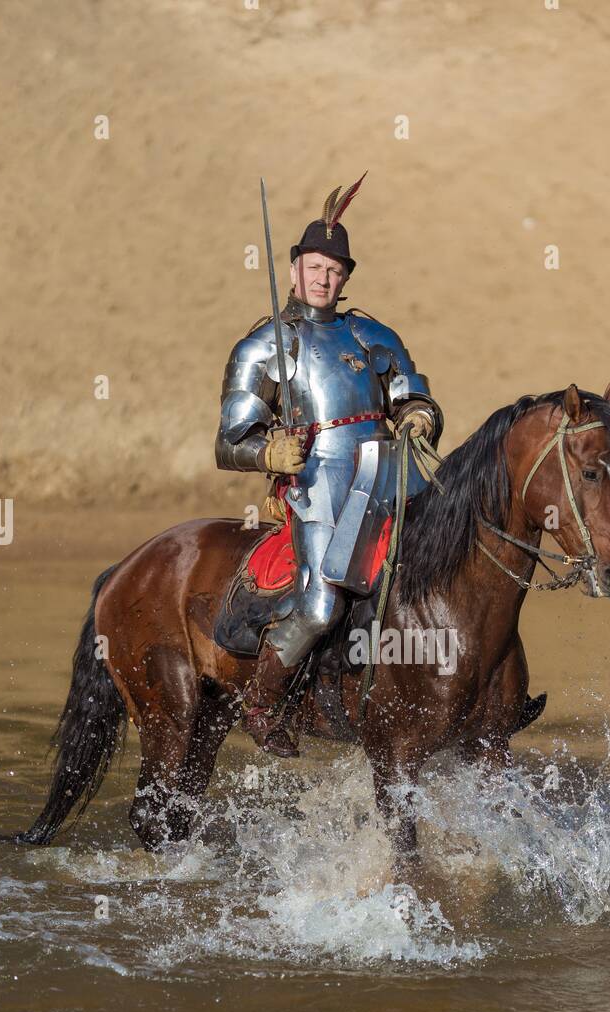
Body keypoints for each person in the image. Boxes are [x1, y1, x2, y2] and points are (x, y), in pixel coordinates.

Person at [215, 176, 443, 755]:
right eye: (313, 267)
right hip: (316, 487)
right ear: (295, 271)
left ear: (344, 278)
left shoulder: (372, 335)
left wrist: (417, 417)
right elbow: (229, 441)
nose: (322, 278)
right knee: (320, 604)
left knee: (445, 570)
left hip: (391, 476)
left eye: (334, 271)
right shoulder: (262, 347)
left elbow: (413, 394)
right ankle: (262, 704)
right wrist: (268, 452)